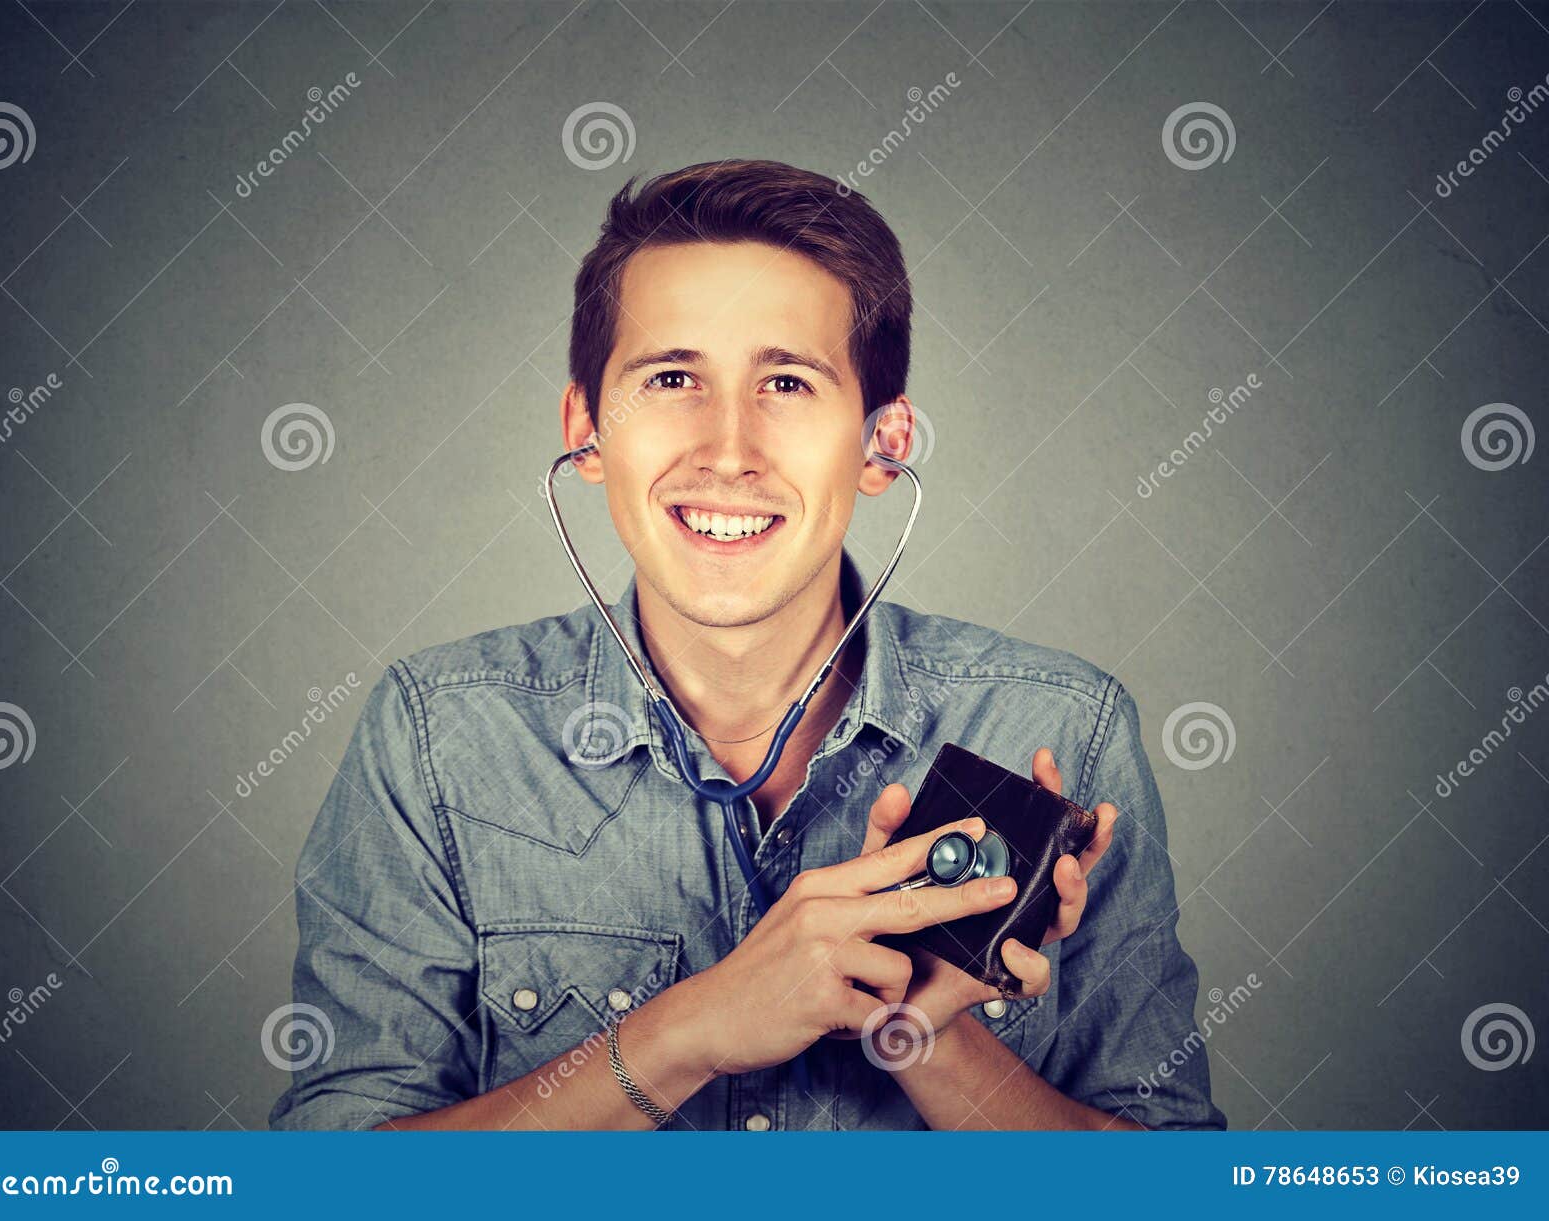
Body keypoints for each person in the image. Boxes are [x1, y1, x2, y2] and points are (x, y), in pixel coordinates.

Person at [268, 159, 1225, 1132]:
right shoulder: (437, 736)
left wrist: (926, 1029)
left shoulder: (1058, 728)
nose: (728, 448)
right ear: (586, 430)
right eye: (673, 378)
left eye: (786, 380)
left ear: (882, 443)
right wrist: (686, 1032)